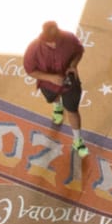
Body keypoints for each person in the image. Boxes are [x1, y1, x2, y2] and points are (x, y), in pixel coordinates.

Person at [22, 20, 90, 157]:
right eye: (49, 42)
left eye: (56, 40)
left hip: (70, 83)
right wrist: (50, 78)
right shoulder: (34, 47)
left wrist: (73, 64)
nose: (54, 44)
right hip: (48, 85)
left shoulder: (69, 38)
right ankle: (58, 107)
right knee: (54, 97)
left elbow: (79, 51)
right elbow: (30, 70)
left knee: (73, 110)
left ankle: (77, 140)